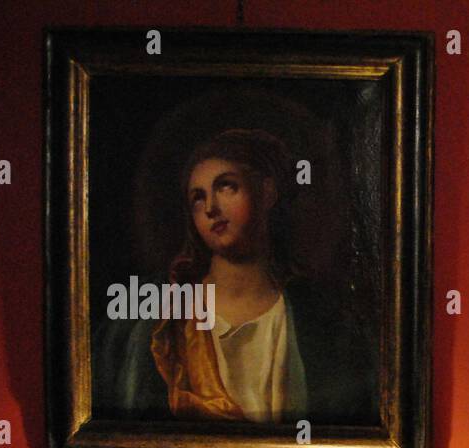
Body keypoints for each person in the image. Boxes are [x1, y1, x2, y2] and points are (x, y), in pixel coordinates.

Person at [100, 128, 374, 424]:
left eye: (227, 187)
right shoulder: (159, 317)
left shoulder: (320, 318)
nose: (210, 209)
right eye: (197, 198)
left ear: (267, 192)